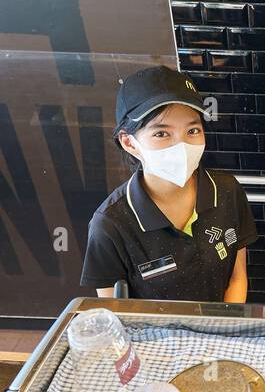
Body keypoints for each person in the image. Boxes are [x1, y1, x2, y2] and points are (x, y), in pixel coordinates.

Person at [81, 66, 256, 301]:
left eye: (193, 130)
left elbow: (236, 278)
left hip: (221, 330)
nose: (181, 145)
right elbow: (116, 312)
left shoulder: (227, 191)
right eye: (161, 134)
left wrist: (226, 329)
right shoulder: (110, 225)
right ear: (129, 143)